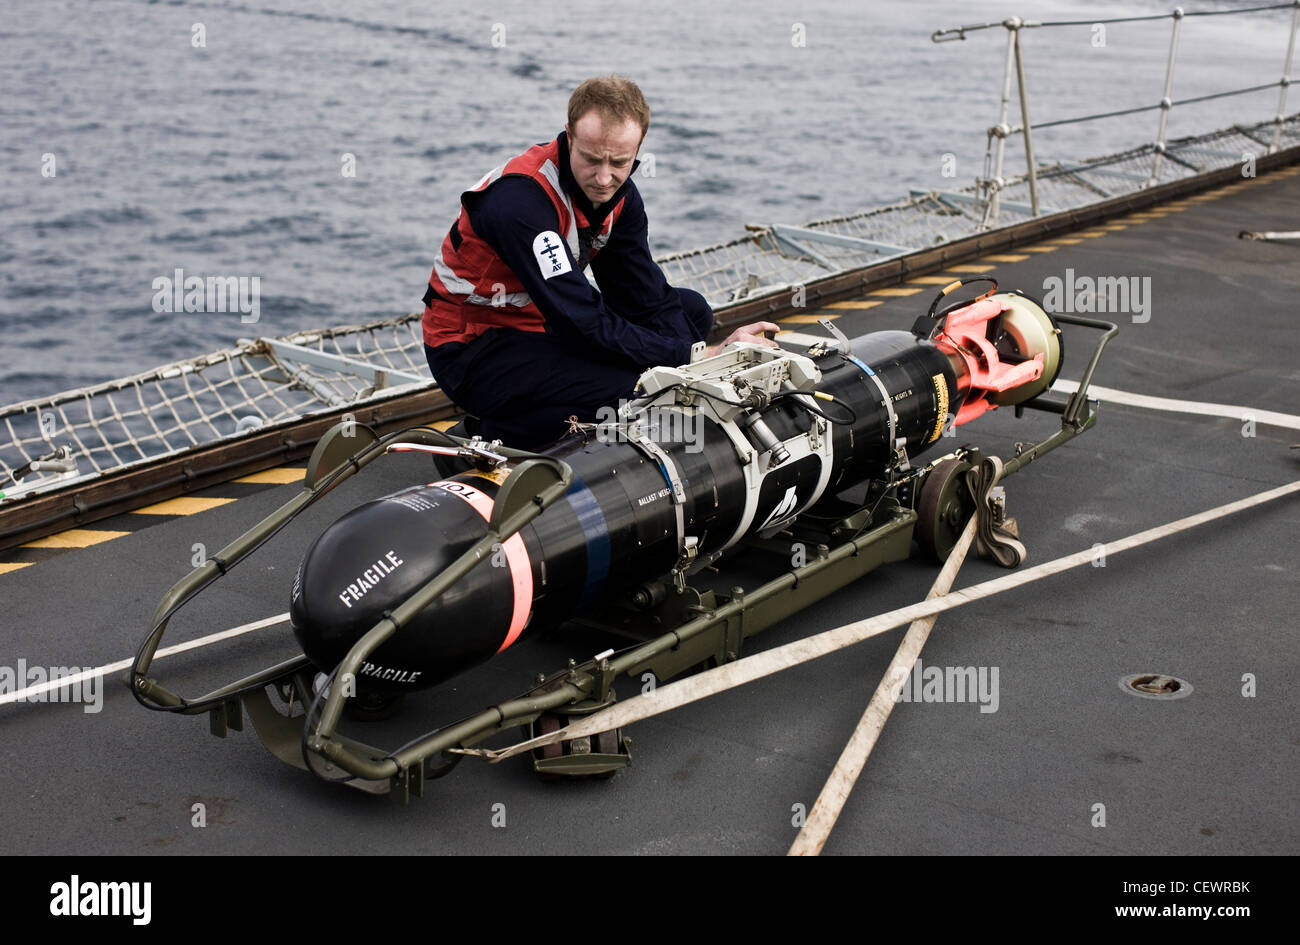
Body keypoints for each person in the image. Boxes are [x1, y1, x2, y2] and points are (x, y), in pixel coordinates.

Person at [421, 75, 779, 449]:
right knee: (629, 390)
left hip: (541, 324)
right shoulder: (520, 202)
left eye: (620, 162)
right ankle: (480, 441)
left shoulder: (619, 196)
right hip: (473, 349)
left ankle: (537, 416)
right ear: (568, 137)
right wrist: (695, 359)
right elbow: (580, 321)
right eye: (591, 159)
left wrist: (698, 366)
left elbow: (644, 296)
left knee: (691, 312)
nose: (605, 178)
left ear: (638, 148)